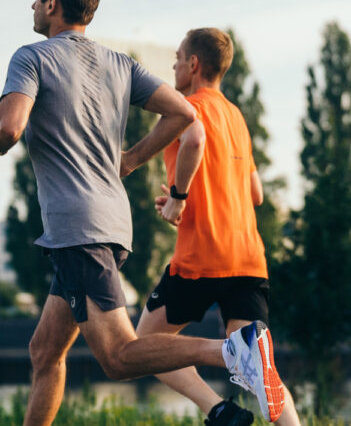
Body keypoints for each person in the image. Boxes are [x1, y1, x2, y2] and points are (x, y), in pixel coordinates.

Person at [0, 0, 284, 426]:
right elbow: (183, 114)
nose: (32, 3)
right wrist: (130, 160)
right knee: (45, 351)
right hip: (108, 223)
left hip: (77, 229)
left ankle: (229, 352)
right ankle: (229, 381)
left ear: (52, 4)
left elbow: (8, 128)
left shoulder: (32, 57)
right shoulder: (119, 63)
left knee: (118, 356)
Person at [135, 28, 300, 426]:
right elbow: (255, 192)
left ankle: (219, 410)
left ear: (193, 65)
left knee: (143, 347)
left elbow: (193, 140)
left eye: (177, 58)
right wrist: (189, 196)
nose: (173, 65)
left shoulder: (184, 107)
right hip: (248, 259)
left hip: (203, 257)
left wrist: (179, 196)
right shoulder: (236, 115)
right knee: (261, 368)